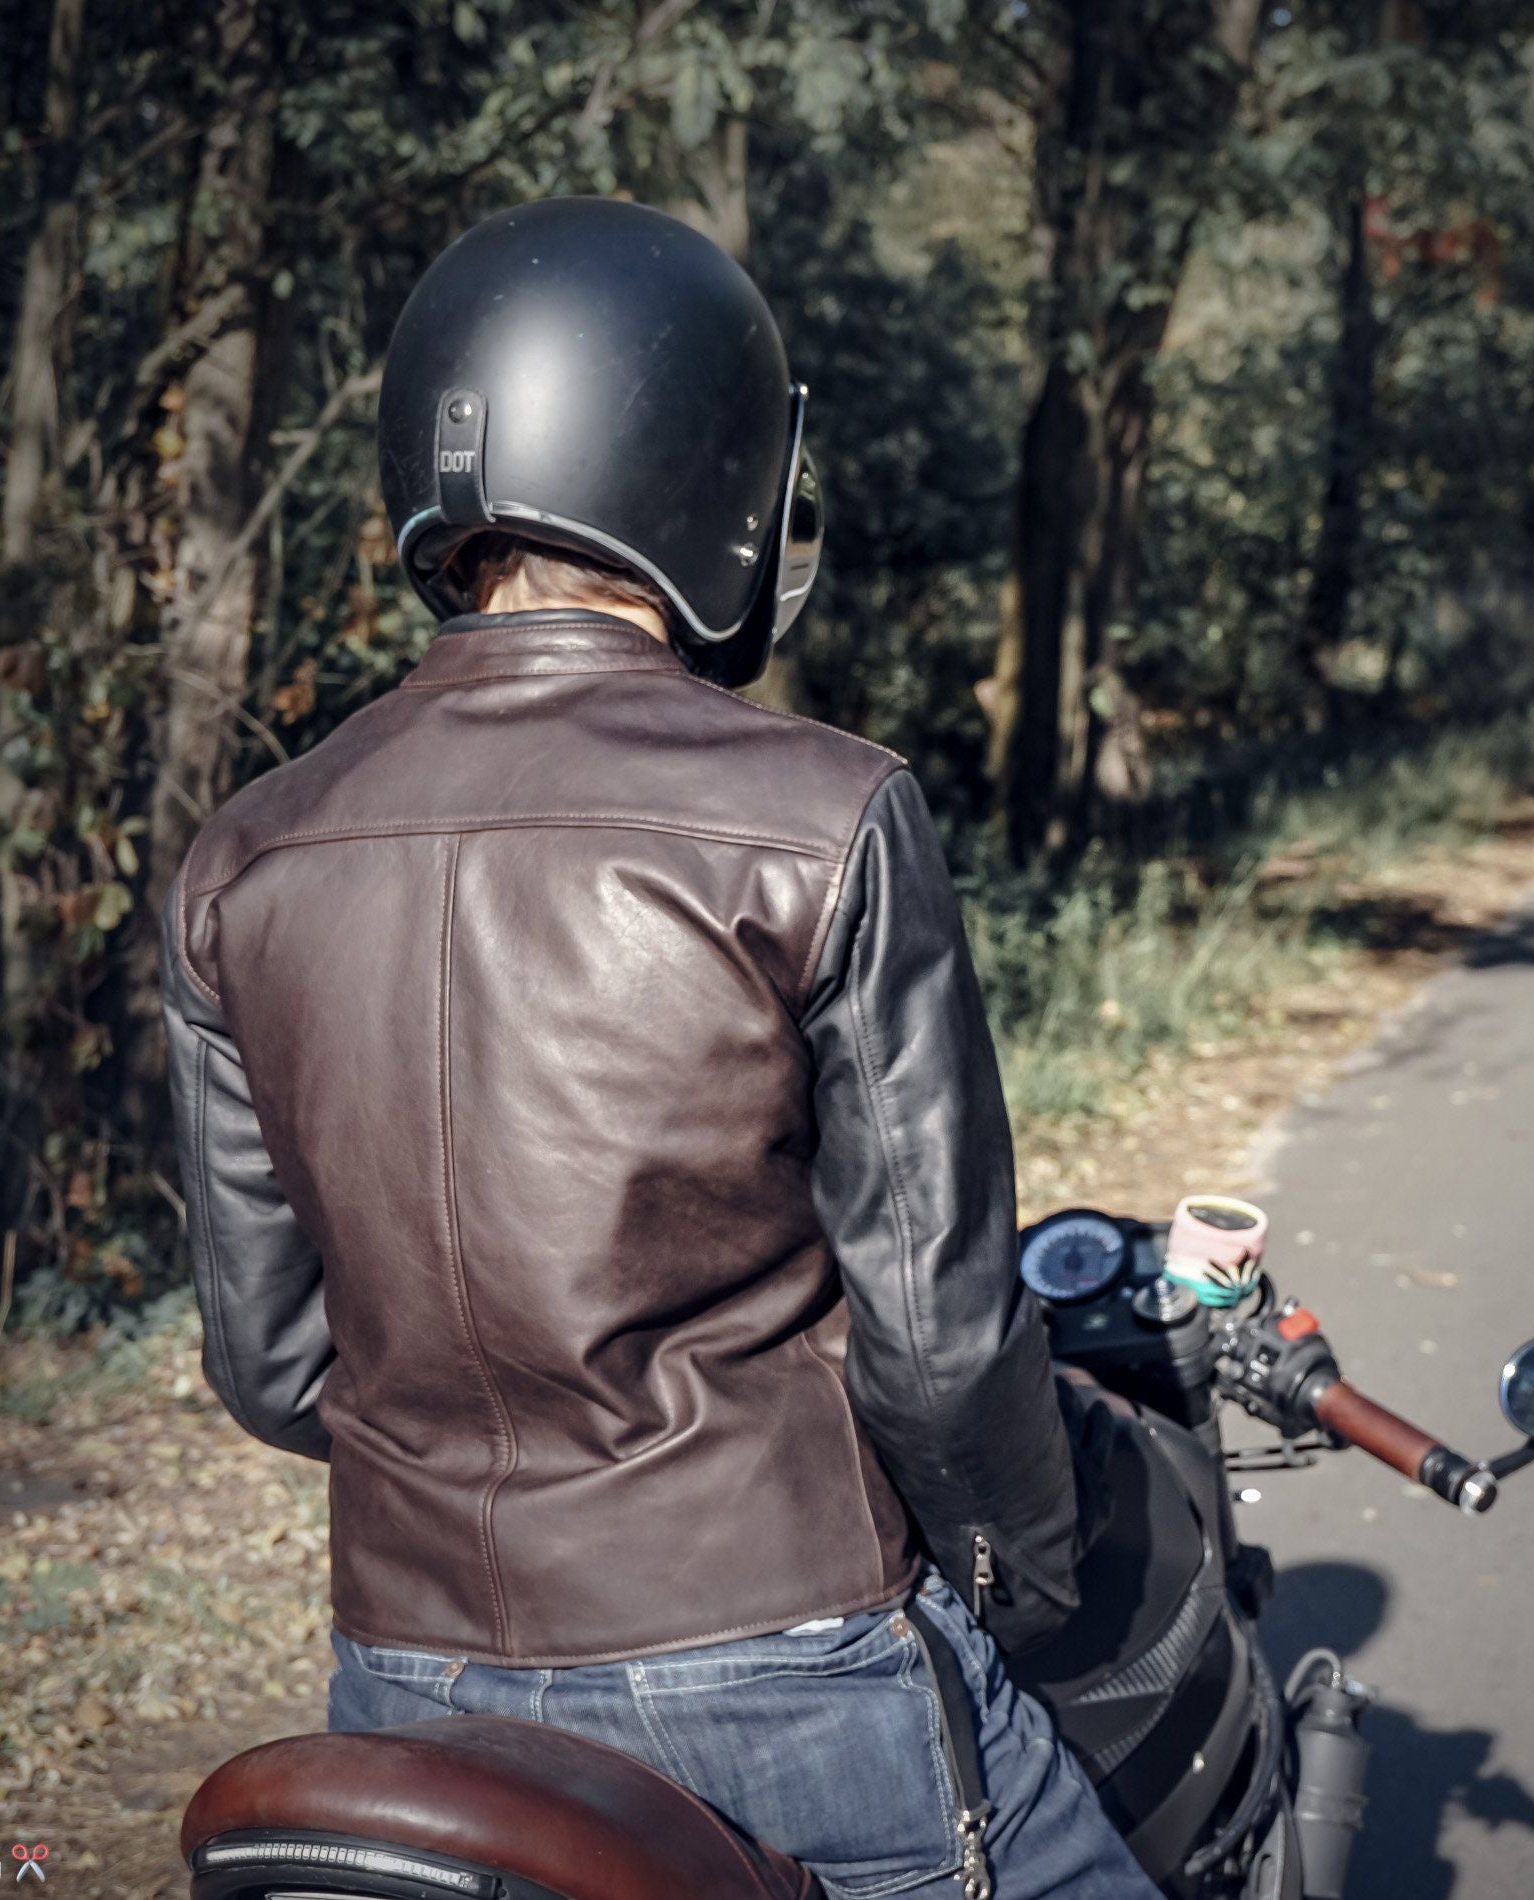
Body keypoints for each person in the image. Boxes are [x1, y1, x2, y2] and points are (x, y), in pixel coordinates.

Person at [158, 197, 1153, 1899]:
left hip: (409, 1683)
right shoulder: (824, 814)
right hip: (779, 1652)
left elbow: (267, 1363)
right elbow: (934, 1342)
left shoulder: (244, 855)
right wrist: (1032, 1586)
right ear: (707, 465)